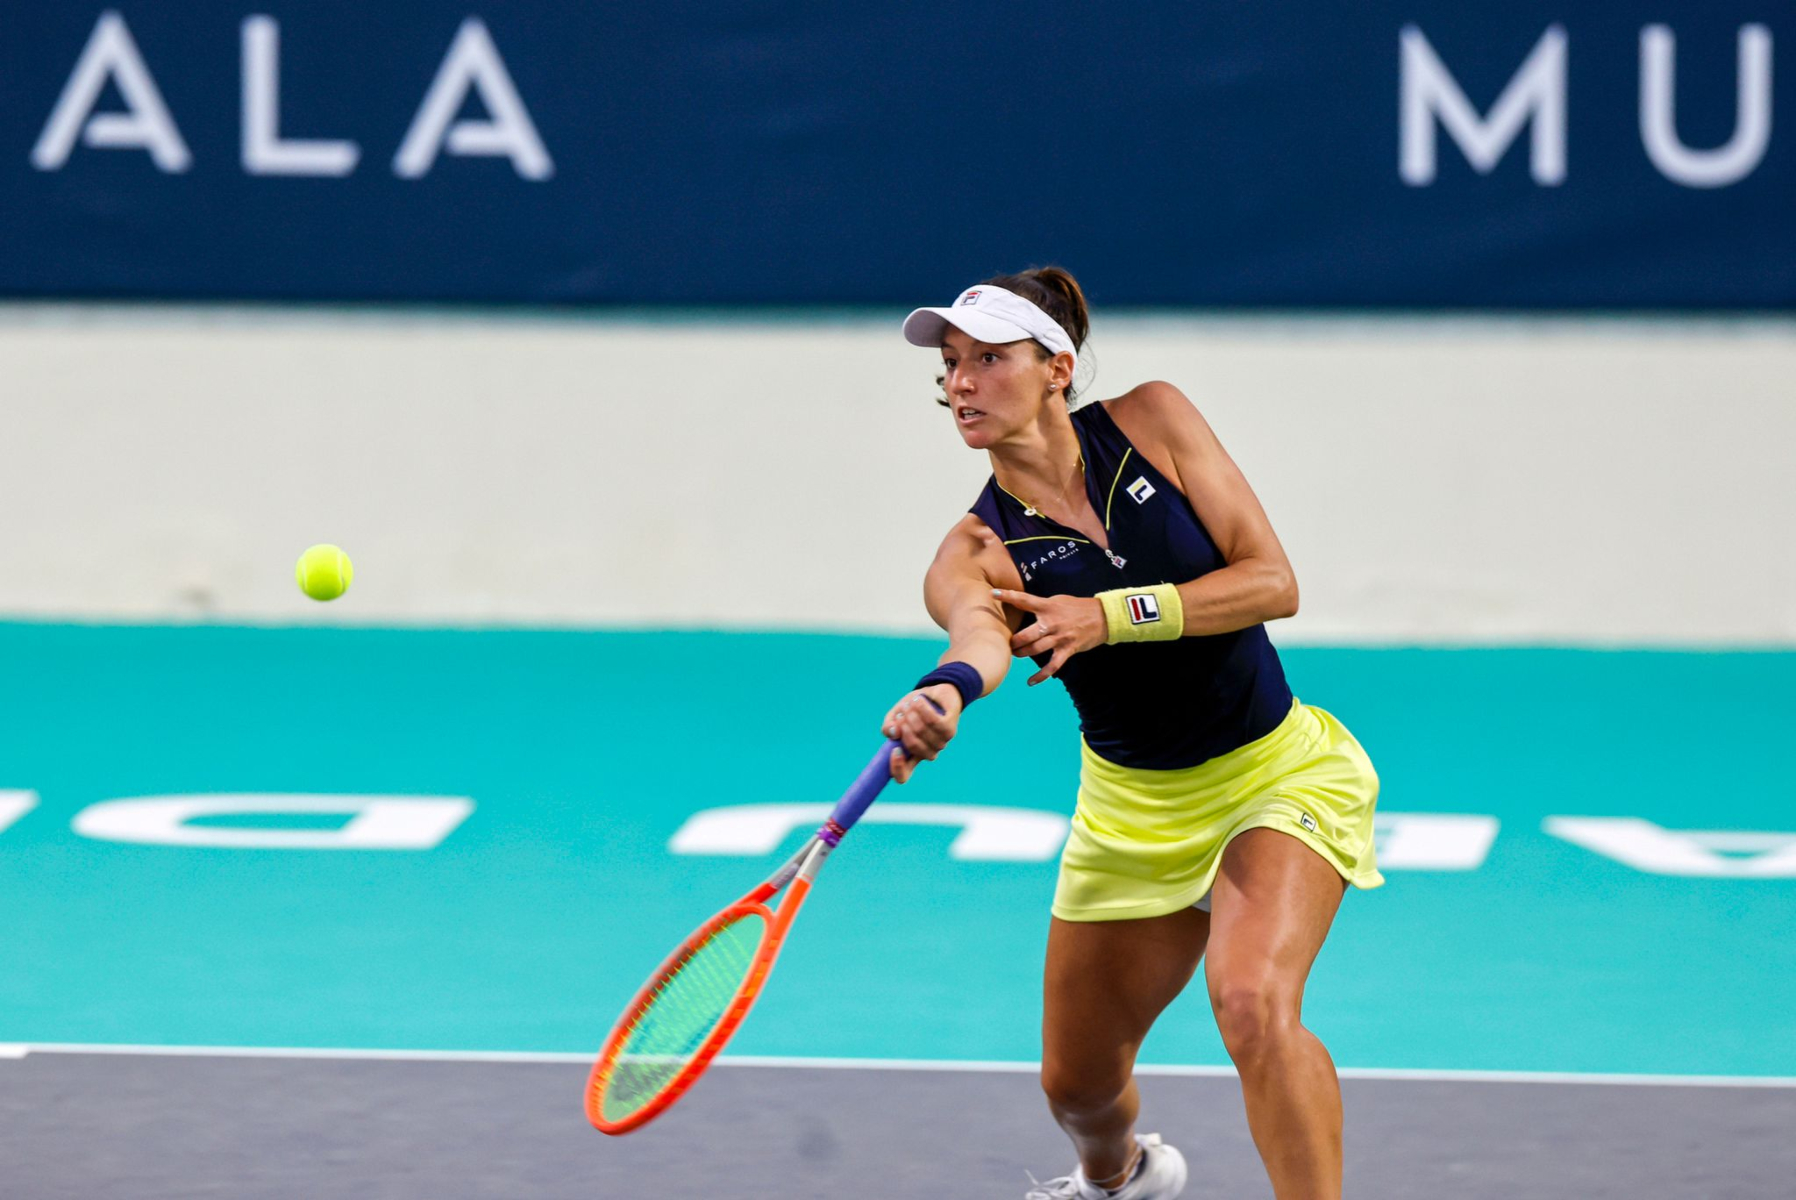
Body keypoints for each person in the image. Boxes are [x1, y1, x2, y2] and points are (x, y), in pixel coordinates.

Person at [881, 268, 1383, 1200]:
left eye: (990, 360)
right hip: (1133, 812)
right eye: (950, 366)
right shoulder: (976, 551)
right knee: (1076, 1086)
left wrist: (1110, 615)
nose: (961, 384)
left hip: (1275, 772)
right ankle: (1120, 1178)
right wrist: (944, 695)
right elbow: (976, 639)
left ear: (1056, 367)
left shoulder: (1153, 423)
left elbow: (1272, 582)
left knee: (1252, 1004)